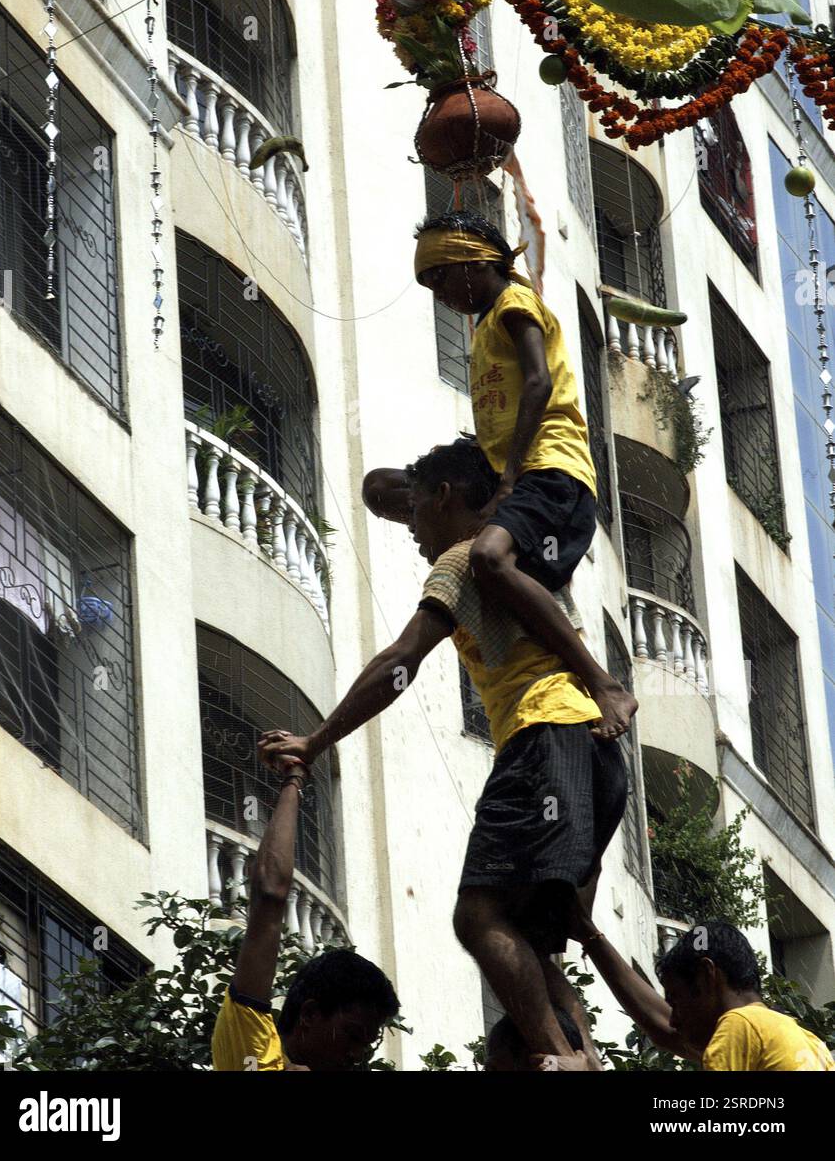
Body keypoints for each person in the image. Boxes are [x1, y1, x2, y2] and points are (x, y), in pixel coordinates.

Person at [260, 439, 627, 1069]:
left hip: (546, 737)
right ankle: (581, 1055)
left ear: (448, 498)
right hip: (595, 755)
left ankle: (567, 1059)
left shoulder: (464, 559)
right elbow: (381, 485)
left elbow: (400, 663)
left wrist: (315, 742)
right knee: (535, 936)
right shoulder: (514, 551)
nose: (411, 531)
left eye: (416, 514)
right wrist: (418, 485)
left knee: (478, 916)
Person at [363, 209, 635, 740]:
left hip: (551, 469)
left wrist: (508, 482)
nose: (438, 292)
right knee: (486, 563)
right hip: (527, 476)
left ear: (474, 261)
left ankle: (604, 685)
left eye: (440, 276)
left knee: (488, 557)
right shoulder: (485, 326)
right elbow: (384, 488)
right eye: (428, 284)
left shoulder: (514, 301)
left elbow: (537, 384)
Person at [212, 757, 399, 1071]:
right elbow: (270, 896)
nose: (356, 1056)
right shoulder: (253, 1053)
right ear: (310, 1015)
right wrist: (294, 780)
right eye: (353, 1036)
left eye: (365, 1047)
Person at [570, 910, 835, 1071]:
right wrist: (590, 936)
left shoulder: (737, 1025)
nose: (674, 1018)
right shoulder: (801, 1039)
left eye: (675, 1001)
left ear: (707, 976)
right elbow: (667, 1031)